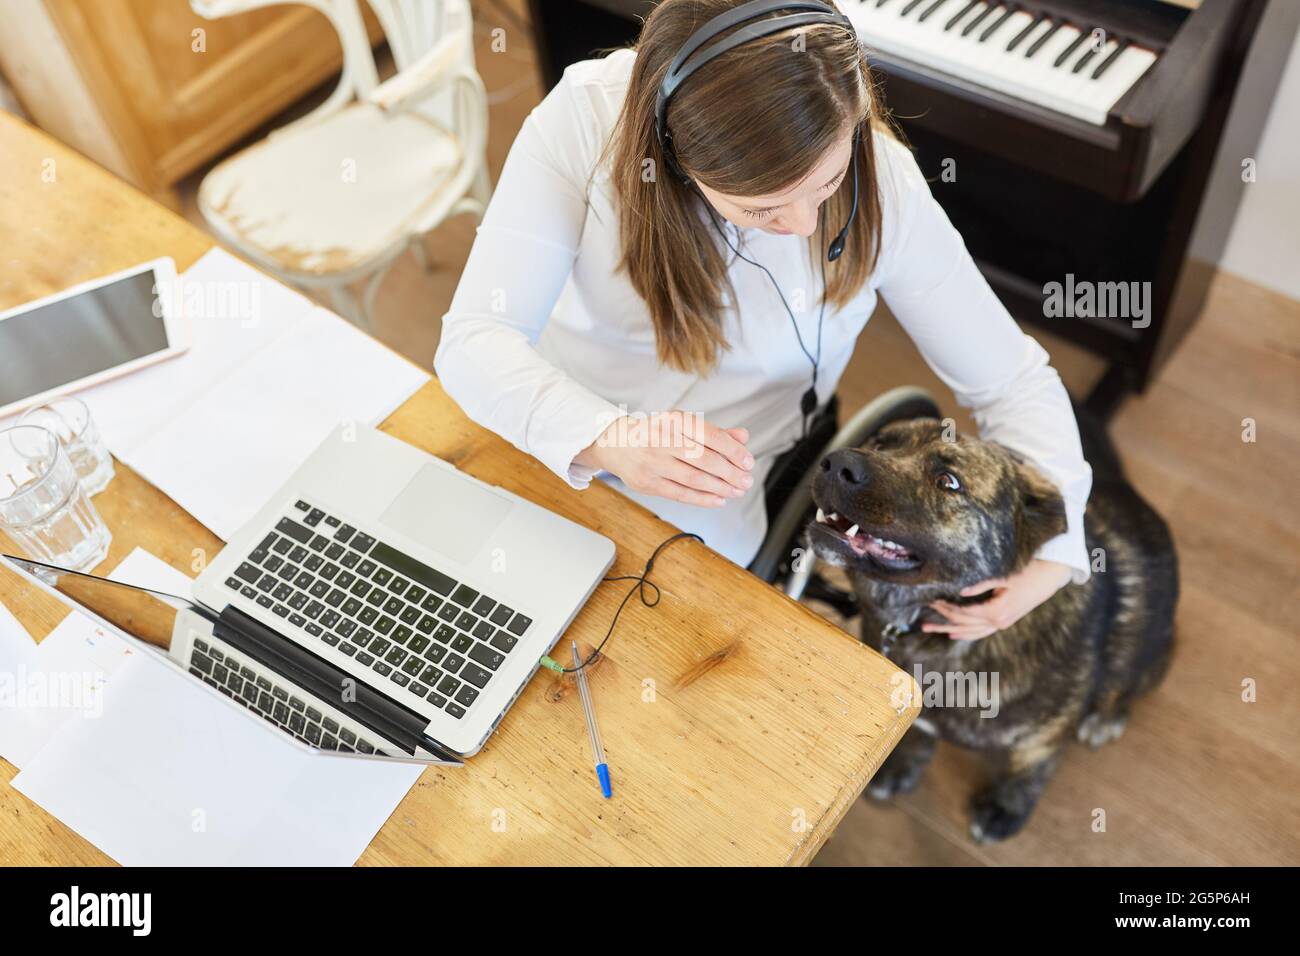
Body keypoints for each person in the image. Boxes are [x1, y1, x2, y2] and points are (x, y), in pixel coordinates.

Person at [435, 0, 1092, 640]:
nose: (805, 226)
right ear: (676, 157)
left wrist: (1058, 557)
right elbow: (474, 341)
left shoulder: (884, 180)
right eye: (763, 209)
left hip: (728, 480)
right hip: (551, 427)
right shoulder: (583, 121)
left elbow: (1010, 380)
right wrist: (605, 438)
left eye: (827, 185)